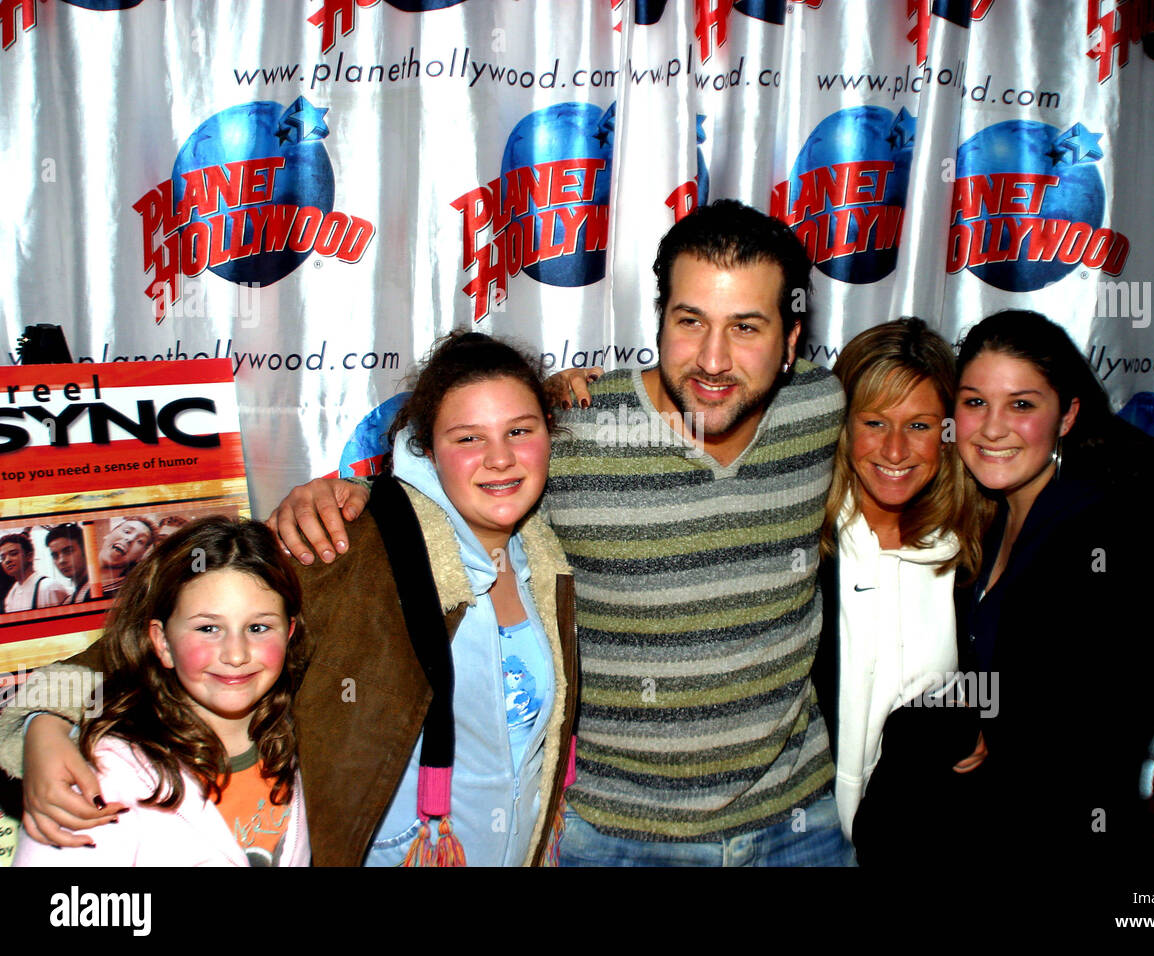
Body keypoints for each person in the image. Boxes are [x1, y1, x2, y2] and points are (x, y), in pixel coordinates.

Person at [270, 200, 853, 866]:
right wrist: (348, 497)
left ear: (792, 340)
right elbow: (461, 479)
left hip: (797, 823)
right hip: (613, 839)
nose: (713, 360)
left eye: (746, 327)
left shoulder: (820, 406)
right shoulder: (573, 430)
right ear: (660, 318)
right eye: (690, 321)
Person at [3, 332, 580, 867]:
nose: (500, 458)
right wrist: (44, 724)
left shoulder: (549, 556)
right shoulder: (349, 542)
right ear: (425, 449)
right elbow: (139, 646)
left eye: (520, 431)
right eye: (468, 438)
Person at [951, 309, 1154, 865]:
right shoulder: (995, 517)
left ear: (1067, 415)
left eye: (1022, 404)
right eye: (975, 401)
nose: (992, 427)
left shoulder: (1114, 527)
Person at [14, 516, 311, 866]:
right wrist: (42, 723)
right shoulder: (109, 774)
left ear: (289, 633)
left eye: (258, 627)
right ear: (163, 643)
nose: (236, 654)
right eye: (208, 628)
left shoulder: (303, 743)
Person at [811, 318, 988, 856]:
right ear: (843, 426)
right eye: (874, 422)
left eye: (919, 426)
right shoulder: (797, 536)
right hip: (795, 841)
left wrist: (976, 713)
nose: (893, 451)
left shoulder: (975, 546)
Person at [1, 531, 70, 613]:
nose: (7, 560)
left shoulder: (49, 588)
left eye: (13, 554)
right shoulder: (12, 594)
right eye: (3, 558)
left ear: (29, 556)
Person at [98, 516, 155, 597]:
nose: (130, 539)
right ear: (108, 534)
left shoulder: (130, 593)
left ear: (141, 556)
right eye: (127, 531)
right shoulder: (80, 580)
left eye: (140, 541)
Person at [45, 524, 92, 603]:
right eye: (55, 556)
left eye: (68, 551)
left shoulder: (99, 591)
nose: (61, 560)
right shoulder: (70, 599)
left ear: (85, 550)